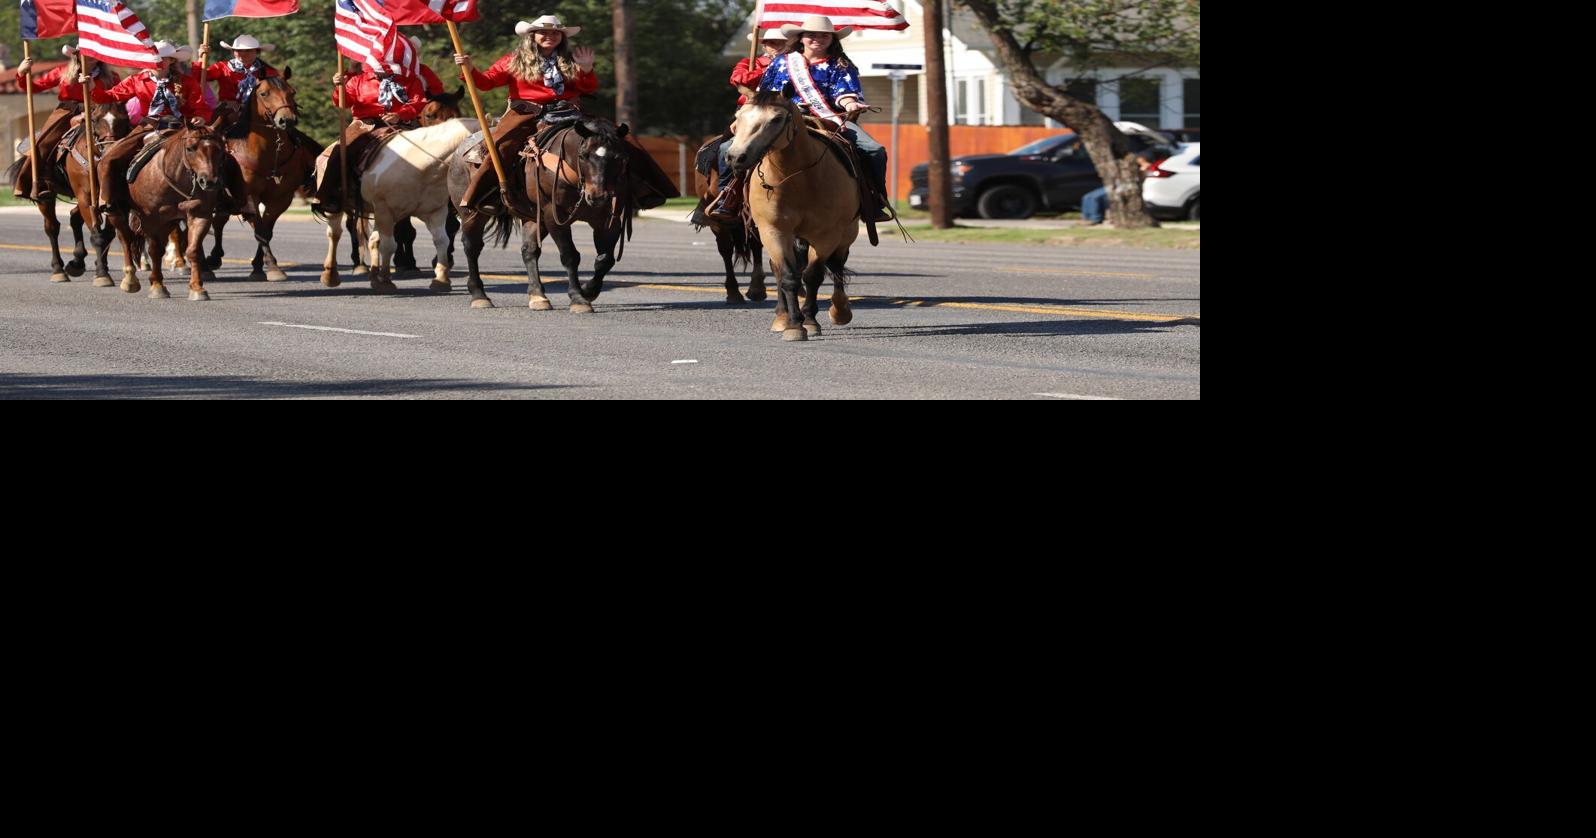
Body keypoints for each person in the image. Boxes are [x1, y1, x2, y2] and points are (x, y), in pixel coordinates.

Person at [452, 16, 677, 213]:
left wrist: (587, 69)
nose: (549, 36)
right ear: (532, 36)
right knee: (499, 147)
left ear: (562, 37)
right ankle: (485, 196)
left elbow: (588, 89)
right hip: (526, 113)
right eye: (543, 32)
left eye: (555, 33)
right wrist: (470, 68)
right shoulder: (513, 60)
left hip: (570, 111)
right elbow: (485, 83)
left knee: (619, 138)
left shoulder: (571, 60)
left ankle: (647, 190)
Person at [725, 15, 890, 223]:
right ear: (801, 38)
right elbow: (763, 94)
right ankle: (729, 198)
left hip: (829, 118)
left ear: (832, 39)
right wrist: (743, 119)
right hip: (779, 119)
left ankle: (874, 201)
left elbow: (846, 92)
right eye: (811, 35)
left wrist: (850, 104)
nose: (817, 39)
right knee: (730, 149)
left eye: (824, 35)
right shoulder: (782, 62)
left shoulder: (841, 64)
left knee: (874, 150)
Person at [90, 41, 219, 216]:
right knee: (109, 158)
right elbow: (109, 96)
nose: (158, 63)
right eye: (154, 59)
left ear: (171, 61)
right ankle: (107, 199)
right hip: (148, 127)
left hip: (181, 127)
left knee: (217, 152)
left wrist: (201, 117)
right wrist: (91, 87)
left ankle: (225, 198)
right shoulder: (137, 80)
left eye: (163, 59)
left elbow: (200, 106)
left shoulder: (187, 82)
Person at [689, 27, 785, 226]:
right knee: (724, 148)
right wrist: (761, 71)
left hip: (783, 115)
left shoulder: (796, 64)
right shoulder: (751, 62)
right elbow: (738, 79)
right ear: (763, 44)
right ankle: (725, 194)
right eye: (770, 42)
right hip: (750, 114)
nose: (775, 46)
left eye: (779, 42)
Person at [311, 60, 425, 213]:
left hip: (401, 123)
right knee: (339, 151)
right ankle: (328, 195)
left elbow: (418, 103)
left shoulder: (409, 79)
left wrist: (400, 115)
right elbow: (342, 103)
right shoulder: (357, 80)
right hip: (364, 125)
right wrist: (340, 87)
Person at [11, 44, 120, 200]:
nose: (90, 57)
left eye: (93, 54)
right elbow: (33, 87)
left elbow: (117, 96)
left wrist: (94, 89)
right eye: (86, 53)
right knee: (42, 142)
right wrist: (22, 73)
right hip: (67, 112)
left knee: (122, 137)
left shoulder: (112, 77)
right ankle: (31, 183)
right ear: (76, 55)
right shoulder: (62, 72)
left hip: (100, 112)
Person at [202, 34, 280, 135]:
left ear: (257, 51)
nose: (243, 53)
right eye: (238, 50)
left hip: (260, 110)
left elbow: (278, 91)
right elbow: (201, 77)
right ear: (233, 52)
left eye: (248, 50)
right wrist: (201, 57)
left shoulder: (268, 71)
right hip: (228, 109)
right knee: (209, 134)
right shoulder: (222, 67)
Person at [1079, 150, 1159, 225]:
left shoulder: (1147, 167)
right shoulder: (1132, 165)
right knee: (1087, 196)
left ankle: (1095, 219)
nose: (1137, 159)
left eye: (1139, 158)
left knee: (1095, 198)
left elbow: (1141, 179)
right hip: (1117, 185)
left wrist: (1143, 168)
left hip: (1125, 187)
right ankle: (1086, 218)